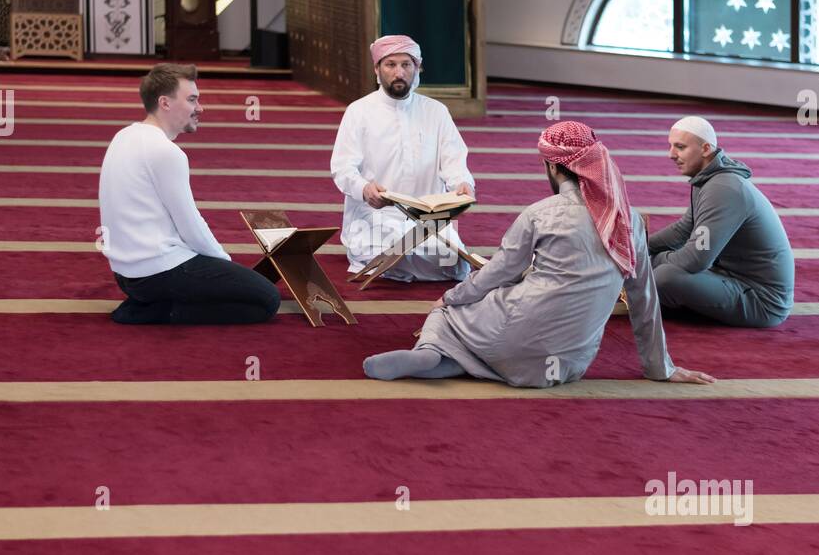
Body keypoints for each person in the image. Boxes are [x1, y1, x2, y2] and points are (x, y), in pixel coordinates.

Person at [363, 121, 714, 388]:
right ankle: (458, 362)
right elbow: (643, 298)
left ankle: (430, 353)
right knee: (499, 339)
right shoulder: (629, 220)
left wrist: (450, 297)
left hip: (511, 333)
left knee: (453, 313)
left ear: (553, 167)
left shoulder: (540, 213)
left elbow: (498, 272)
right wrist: (660, 368)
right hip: (565, 364)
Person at [98, 63, 281, 325]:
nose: (200, 108)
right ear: (165, 103)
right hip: (158, 273)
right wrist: (226, 265)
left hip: (125, 274)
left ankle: (152, 303)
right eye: (192, 99)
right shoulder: (167, 152)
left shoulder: (124, 136)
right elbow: (190, 224)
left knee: (241, 287)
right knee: (266, 300)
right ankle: (158, 312)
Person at [330, 34, 475, 281]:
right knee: (389, 255)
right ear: (377, 69)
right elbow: (343, 168)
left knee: (456, 264)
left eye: (406, 65)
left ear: (418, 68)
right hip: (376, 216)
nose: (399, 72)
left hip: (429, 220)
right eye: (391, 65)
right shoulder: (359, 111)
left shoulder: (436, 111)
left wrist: (462, 186)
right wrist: (364, 189)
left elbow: (454, 161)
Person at [648, 116, 794, 328]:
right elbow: (684, 230)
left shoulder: (723, 189)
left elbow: (696, 259)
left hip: (762, 301)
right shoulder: (708, 179)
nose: (671, 154)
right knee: (656, 268)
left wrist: (649, 261)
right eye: (671, 146)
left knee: (664, 276)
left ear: (705, 148)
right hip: (729, 277)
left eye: (680, 147)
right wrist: (640, 246)